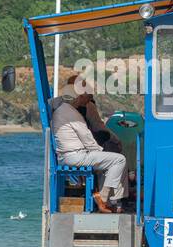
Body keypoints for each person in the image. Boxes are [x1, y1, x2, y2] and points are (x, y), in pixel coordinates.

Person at [52, 77, 127, 213]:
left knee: (110, 161)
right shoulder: (73, 114)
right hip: (77, 156)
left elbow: (53, 101)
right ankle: (103, 198)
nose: (84, 99)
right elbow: (88, 140)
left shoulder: (59, 108)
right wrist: (101, 152)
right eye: (82, 97)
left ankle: (111, 199)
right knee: (119, 160)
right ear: (77, 97)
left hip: (64, 156)